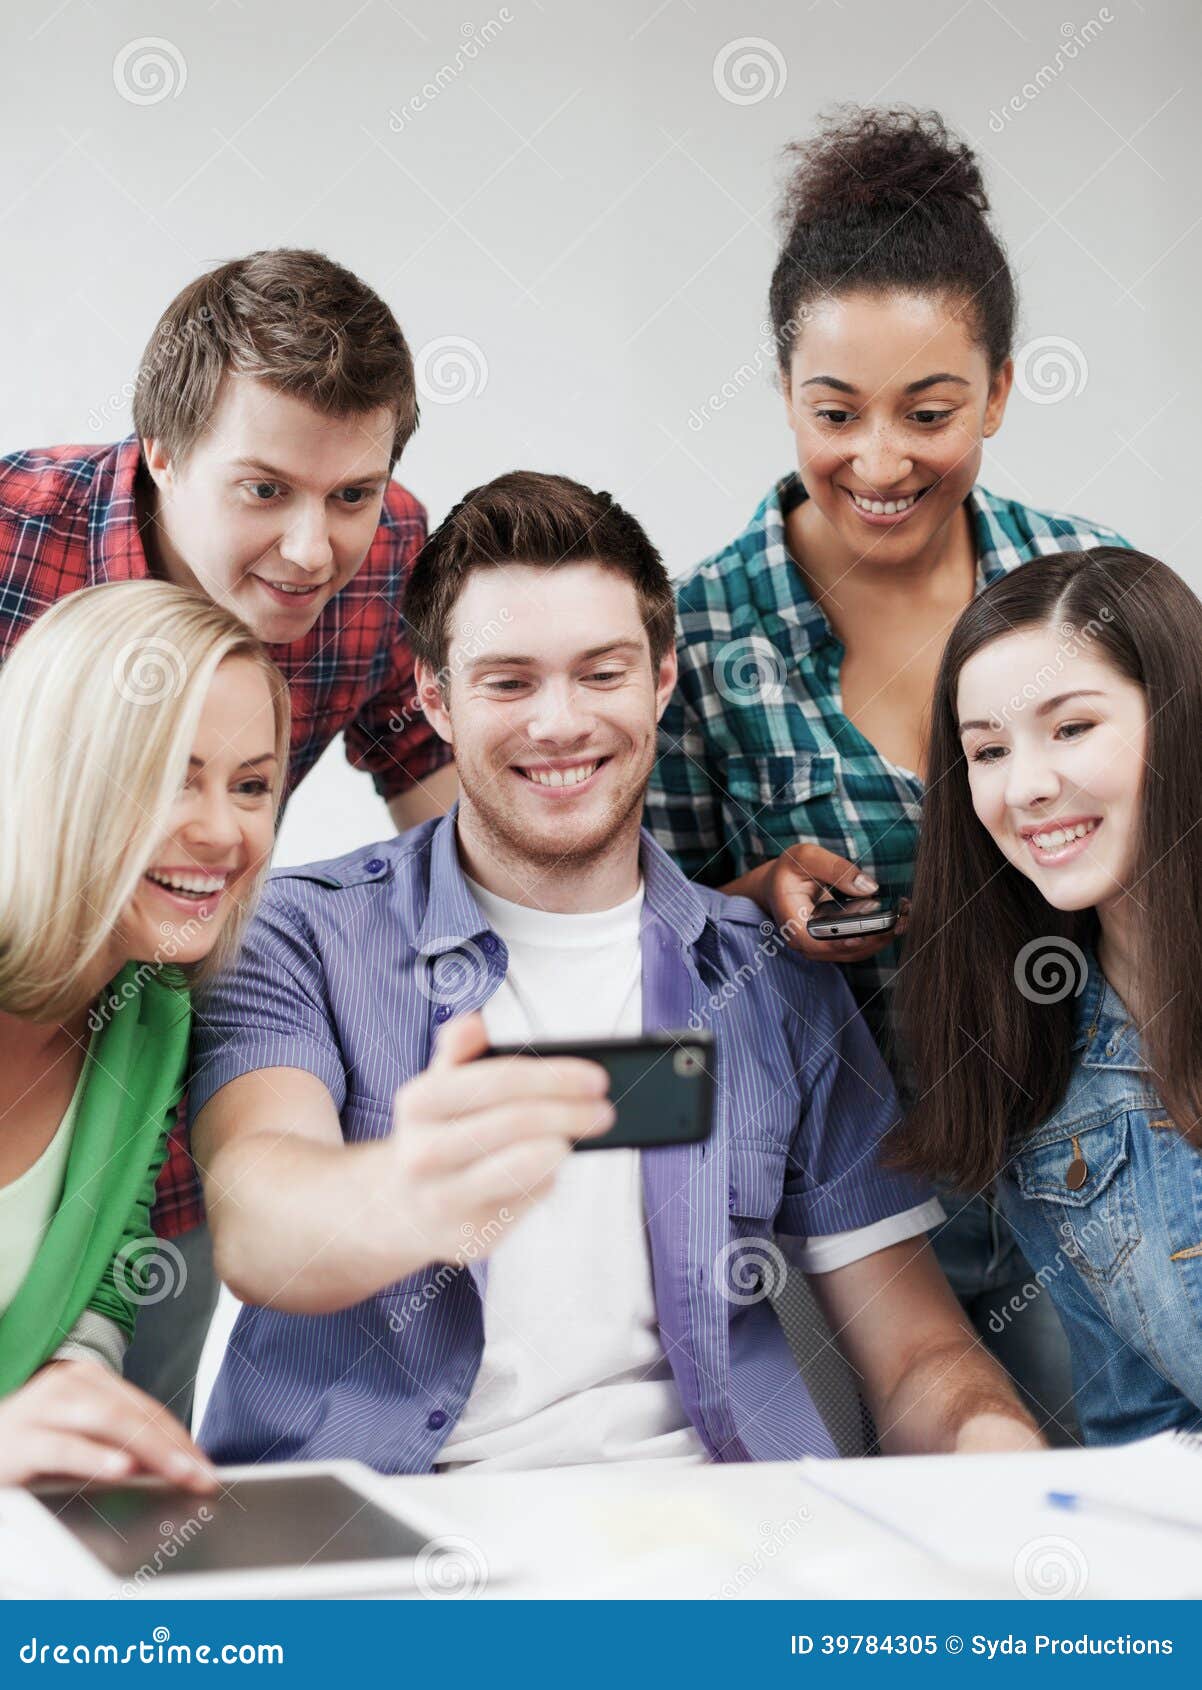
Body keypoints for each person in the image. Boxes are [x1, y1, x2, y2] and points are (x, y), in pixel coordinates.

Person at [189, 471, 1040, 1471]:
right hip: (382, 1540)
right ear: (435, 698)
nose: (559, 723)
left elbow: (915, 1357)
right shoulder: (294, 935)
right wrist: (404, 1193)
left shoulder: (771, 979)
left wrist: (999, 1457)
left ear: (661, 679)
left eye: (601, 673)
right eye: (508, 681)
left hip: (710, 1542)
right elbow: (257, 1218)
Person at [644, 105, 1130, 1439]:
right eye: (833, 411)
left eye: (928, 412)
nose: (878, 461)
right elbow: (653, 936)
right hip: (855, 1207)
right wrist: (758, 894)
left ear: (999, 390)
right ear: (782, 392)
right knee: (892, 1540)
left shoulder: (1086, 590)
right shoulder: (705, 631)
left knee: (1113, 1537)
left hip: (1096, 1165)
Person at [0, 248, 455, 1416]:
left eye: (350, 494)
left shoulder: (384, 559)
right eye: (265, 491)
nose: (313, 549)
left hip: (136, 1109)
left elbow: (453, 824)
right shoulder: (12, 538)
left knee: (106, 1450)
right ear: (159, 450)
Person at [892, 547, 1202, 1445]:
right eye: (988, 749)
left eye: (1070, 728)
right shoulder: (1037, 1079)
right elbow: (1147, 1438)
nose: (1024, 786)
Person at [0, 578, 288, 1484]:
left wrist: (77, 1395)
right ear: (59, 774)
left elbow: (105, 1273)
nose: (223, 831)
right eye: (173, 778)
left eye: (252, 786)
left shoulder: (151, 1013)